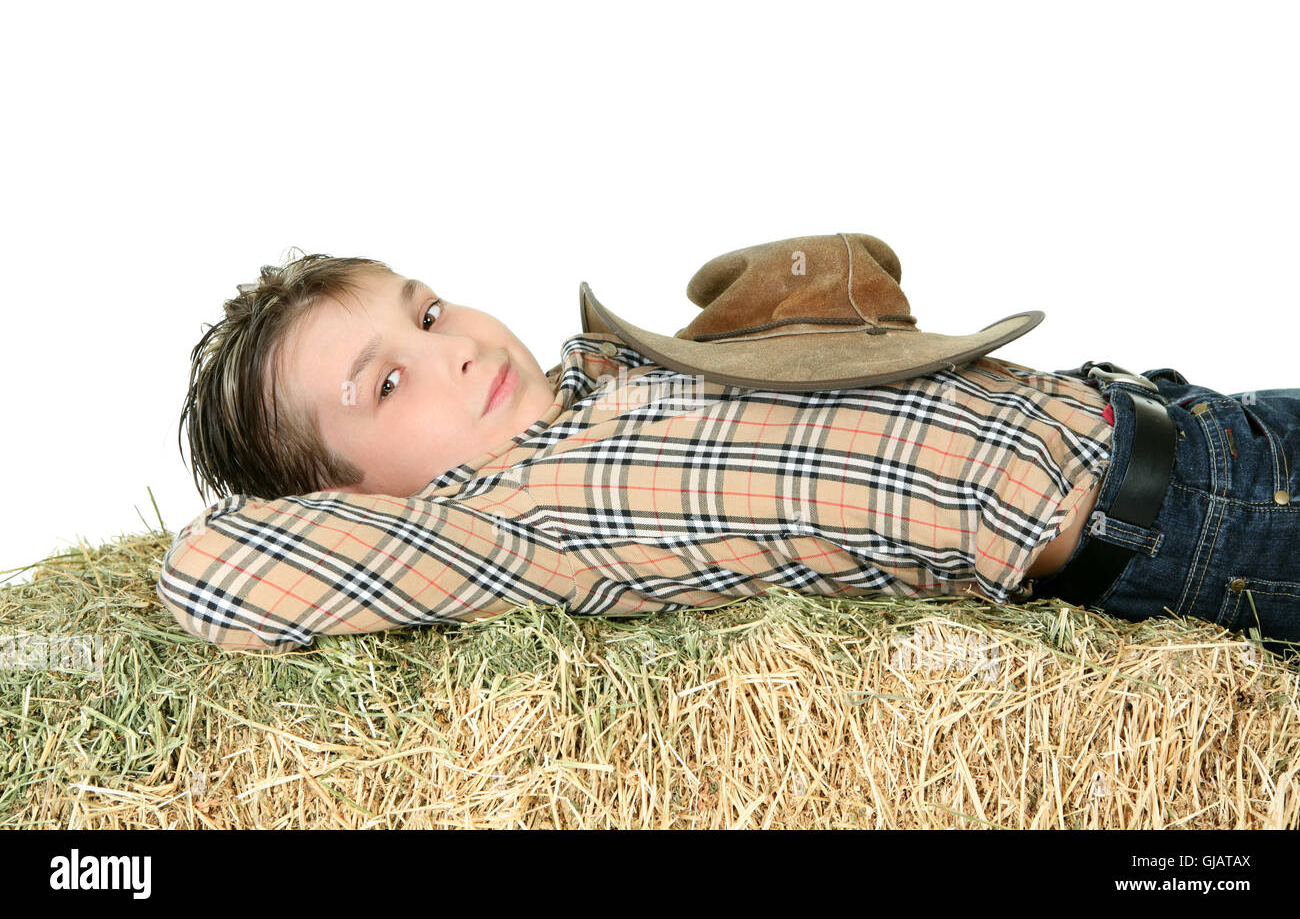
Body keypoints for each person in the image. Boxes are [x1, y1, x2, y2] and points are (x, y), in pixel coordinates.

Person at [156, 236, 1300, 659]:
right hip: (1195, 520)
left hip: (1171, 410)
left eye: (424, 308)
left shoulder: (606, 369)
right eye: (387, 382)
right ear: (341, 496)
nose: (450, 345)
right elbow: (219, 570)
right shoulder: (513, 527)